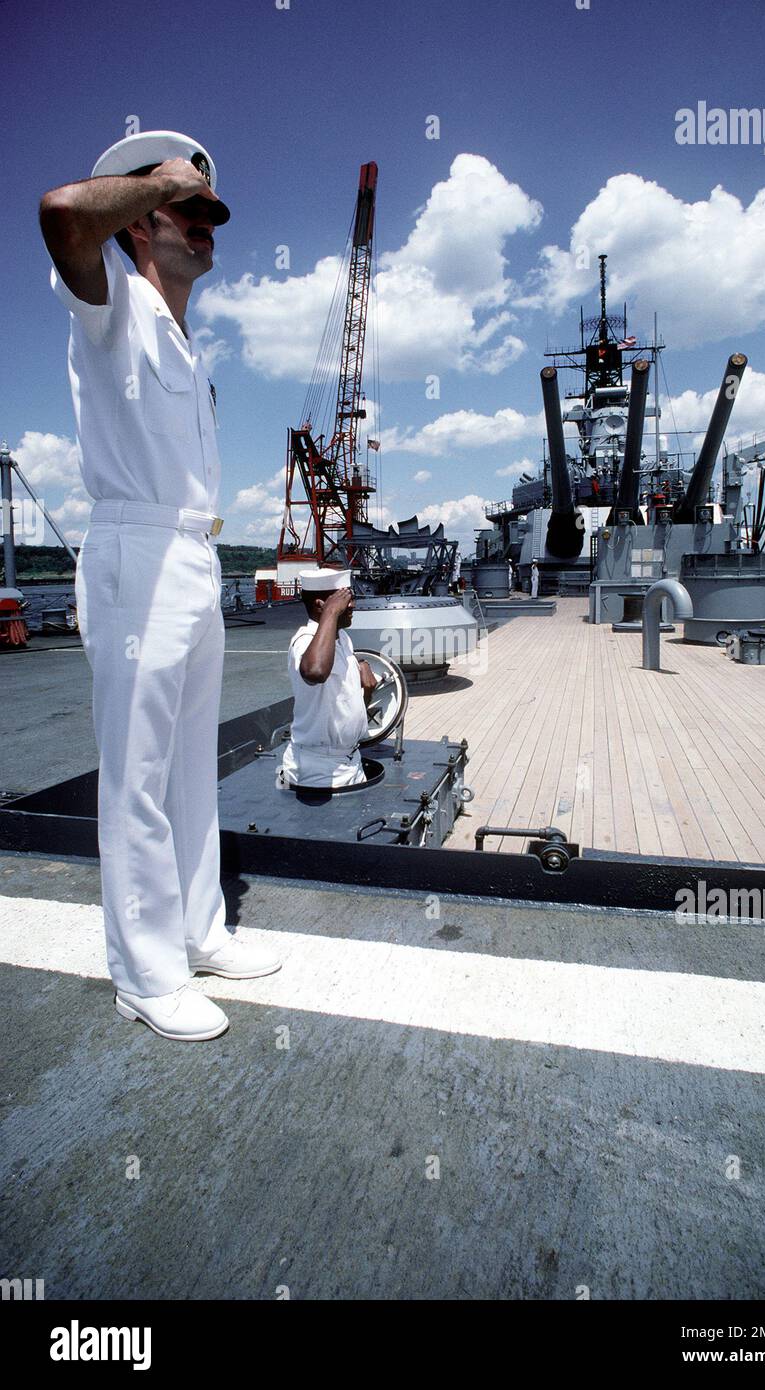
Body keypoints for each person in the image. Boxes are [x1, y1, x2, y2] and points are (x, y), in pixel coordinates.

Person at [41, 130, 280, 1043]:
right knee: (137, 774)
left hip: (191, 556)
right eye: (189, 208)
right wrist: (151, 183)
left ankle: (197, 932)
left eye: (211, 211)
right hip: (135, 550)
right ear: (141, 221)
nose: (205, 224)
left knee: (190, 769)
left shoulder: (187, 342)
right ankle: (144, 972)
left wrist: (170, 191)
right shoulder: (112, 307)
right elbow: (62, 214)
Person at [277, 569, 378, 789]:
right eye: (343, 600)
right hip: (316, 769)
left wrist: (367, 689)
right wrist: (331, 613)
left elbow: (343, 706)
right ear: (321, 605)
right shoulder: (304, 640)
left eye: (351, 598)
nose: (352, 606)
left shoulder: (342, 638)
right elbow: (315, 671)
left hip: (351, 762)